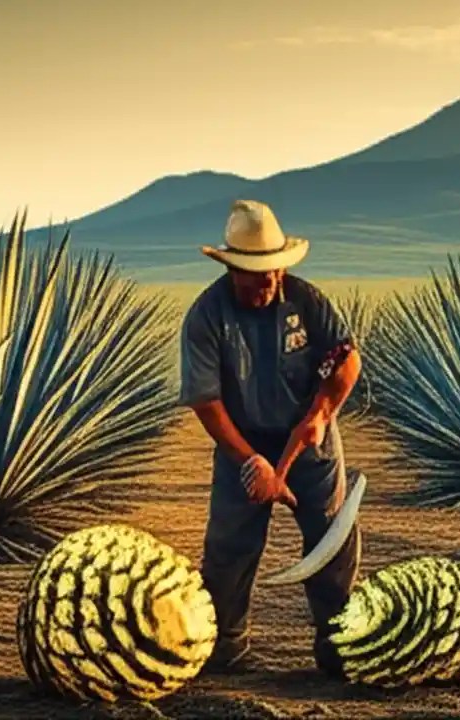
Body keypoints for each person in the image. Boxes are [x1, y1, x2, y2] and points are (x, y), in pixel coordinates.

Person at [177, 198, 363, 677]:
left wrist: (322, 412)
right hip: (241, 441)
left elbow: (346, 360)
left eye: (272, 273)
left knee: (331, 541)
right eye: (253, 276)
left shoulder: (308, 300)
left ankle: (337, 644)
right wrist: (250, 461)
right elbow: (207, 403)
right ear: (231, 269)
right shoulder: (206, 317)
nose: (265, 284)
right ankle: (224, 650)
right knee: (229, 548)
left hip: (310, 440)